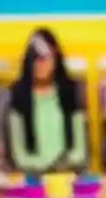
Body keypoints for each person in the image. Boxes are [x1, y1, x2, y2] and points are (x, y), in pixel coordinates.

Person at [7, 28, 87, 175]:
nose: (41, 63)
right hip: (32, 181)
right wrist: (43, 167)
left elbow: (80, 149)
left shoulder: (70, 94)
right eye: (35, 58)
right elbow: (18, 155)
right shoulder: (18, 99)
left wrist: (62, 165)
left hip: (67, 177)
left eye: (46, 57)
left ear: (56, 59)